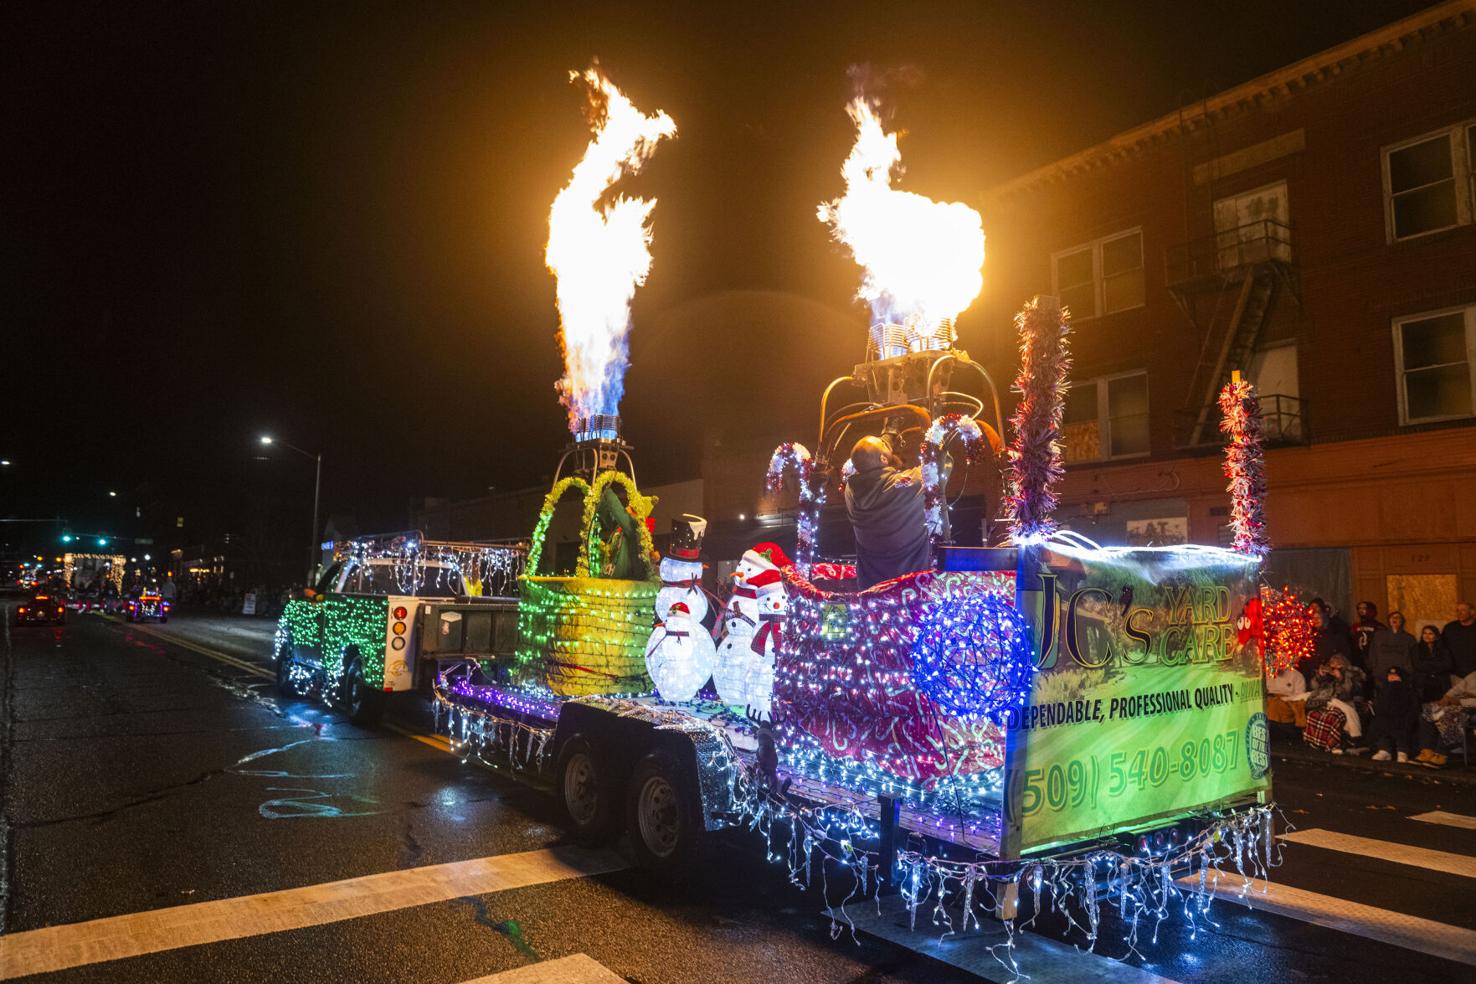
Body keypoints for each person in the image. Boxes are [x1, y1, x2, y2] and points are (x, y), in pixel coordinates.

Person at [845, 432, 946, 589]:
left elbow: (864, 461)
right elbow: (941, 466)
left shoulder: (850, 492)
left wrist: (886, 440)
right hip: (912, 588)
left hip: (872, 591)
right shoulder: (910, 483)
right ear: (883, 459)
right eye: (884, 445)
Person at [1305, 653, 1366, 753]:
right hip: (1325, 701)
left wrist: (1340, 678)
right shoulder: (1328, 674)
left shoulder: (1350, 674)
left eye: (1338, 664)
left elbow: (1348, 692)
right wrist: (1320, 676)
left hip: (1344, 702)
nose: (1334, 666)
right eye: (1332, 663)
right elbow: (1314, 688)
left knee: (1333, 717)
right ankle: (1316, 742)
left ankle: (1334, 745)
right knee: (1313, 714)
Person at [1415, 668, 1476, 768]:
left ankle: (1442, 754)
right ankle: (1427, 750)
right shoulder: (1474, 675)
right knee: (1428, 710)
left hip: (1471, 706)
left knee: (1451, 716)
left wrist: (1460, 702)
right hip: (1459, 701)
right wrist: (1446, 697)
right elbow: (1458, 688)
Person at [1368, 666, 1419, 763]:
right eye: (1390, 675)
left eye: (1395, 676)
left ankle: (1402, 751)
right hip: (1386, 716)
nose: (1392, 678)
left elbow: (1413, 706)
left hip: (1402, 716)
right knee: (1380, 723)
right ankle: (1384, 749)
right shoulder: (1383, 690)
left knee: (1401, 725)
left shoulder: (1407, 690)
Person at [1409, 625, 1454, 704]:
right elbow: (1418, 665)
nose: (1427, 636)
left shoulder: (1443, 649)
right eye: (1425, 633)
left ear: (1436, 636)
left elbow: (1447, 664)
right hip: (1423, 682)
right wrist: (1436, 664)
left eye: (1430, 633)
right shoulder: (1416, 648)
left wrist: (1428, 664)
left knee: (1440, 708)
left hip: (1440, 682)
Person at [1367, 611, 1414, 684]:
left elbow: (1412, 656)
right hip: (1381, 673)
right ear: (1389, 620)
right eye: (1393, 617)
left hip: (1402, 673)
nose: (1395, 619)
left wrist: (1408, 670)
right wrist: (1374, 669)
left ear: (1402, 621)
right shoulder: (1379, 636)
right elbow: (1372, 653)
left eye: (1398, 617)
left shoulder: (1409, 638)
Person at [1350, 601, 1385, 677]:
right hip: (1358, 658)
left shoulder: (1378, 627)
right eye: (1359, 608)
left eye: (1364, 608)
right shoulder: (1354, 627)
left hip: (1374, 659)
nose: (1361, 610)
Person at [1442, 602, 1476, 677]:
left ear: (1472, 612)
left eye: (1463, 610)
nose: (1459, 613)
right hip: (1454, 673)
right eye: (1457, 610)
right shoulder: (1449, 628)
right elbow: (1442, 648)